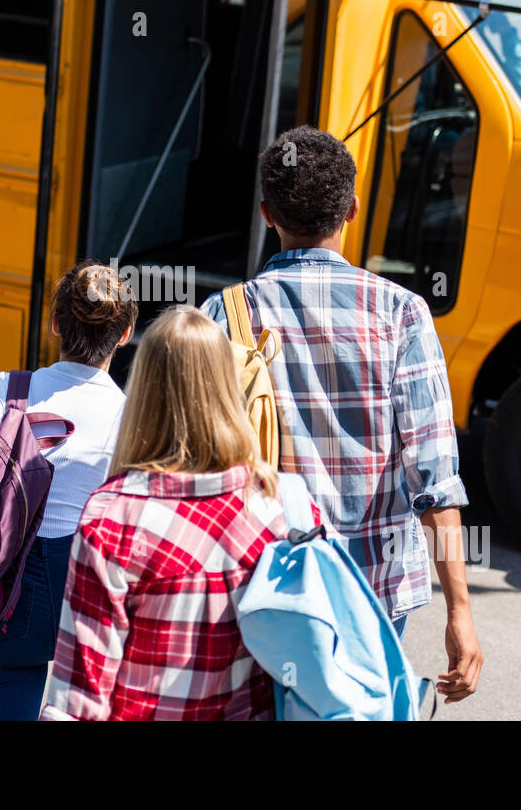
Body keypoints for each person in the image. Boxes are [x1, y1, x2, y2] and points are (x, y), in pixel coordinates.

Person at [201, 126, 483, 704]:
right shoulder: (402, 313)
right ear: (352, 208)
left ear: (265, 214)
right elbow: (433, 476)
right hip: (370, 592)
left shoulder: (220, 314)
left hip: (260, 585)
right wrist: (460, 611)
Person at [41, 306, 322, 721]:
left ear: (144, 392)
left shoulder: (112, 519)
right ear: (228, 391)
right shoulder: (290, 508)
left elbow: (80, 699)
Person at [0, 261, 136, 721]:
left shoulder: (8, 389)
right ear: (125, 333)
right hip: (91, 583)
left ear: (53, 324)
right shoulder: (132, 411)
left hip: (13, 583)